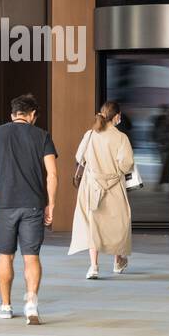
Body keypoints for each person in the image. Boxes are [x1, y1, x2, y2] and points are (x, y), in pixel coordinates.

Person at [0, 93, 57, 325]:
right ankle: (31, 303)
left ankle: (5, 306)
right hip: (32, 204)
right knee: (31, 257)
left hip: (4, 205)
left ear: (12, 114)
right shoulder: (42, 136)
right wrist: (51, 203)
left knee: (6, 256)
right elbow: (52, 173)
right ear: (32, 115)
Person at [69, 101, 135, 279]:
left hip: (92, 186)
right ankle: (118, 261)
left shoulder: (90, 134)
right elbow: (127, 164)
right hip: (114, 186)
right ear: (116, 117)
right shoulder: (121, 138)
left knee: (93, 225)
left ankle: (94, 266)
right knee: (118, 224)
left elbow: (79, 157)